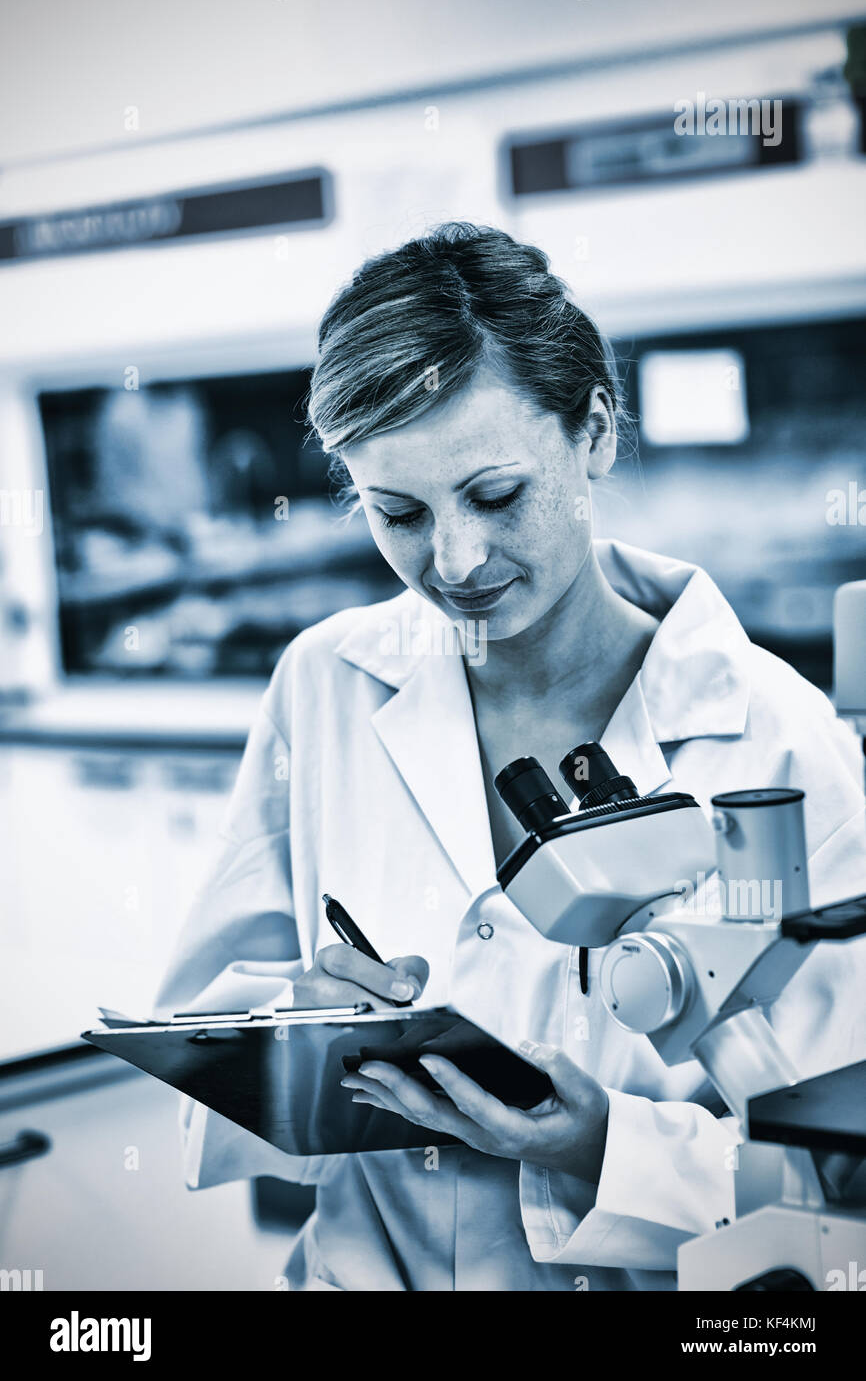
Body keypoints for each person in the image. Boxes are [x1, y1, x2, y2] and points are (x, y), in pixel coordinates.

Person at [154, 223, 866, 1291]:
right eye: (395, 512)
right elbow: (201, 1062)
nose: (455, 560)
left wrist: (601, 1147)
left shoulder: (770, 735)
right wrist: (303, 1023)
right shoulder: (326, 683)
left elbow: (837, 1193)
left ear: (593, 433)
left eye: (495, 495)